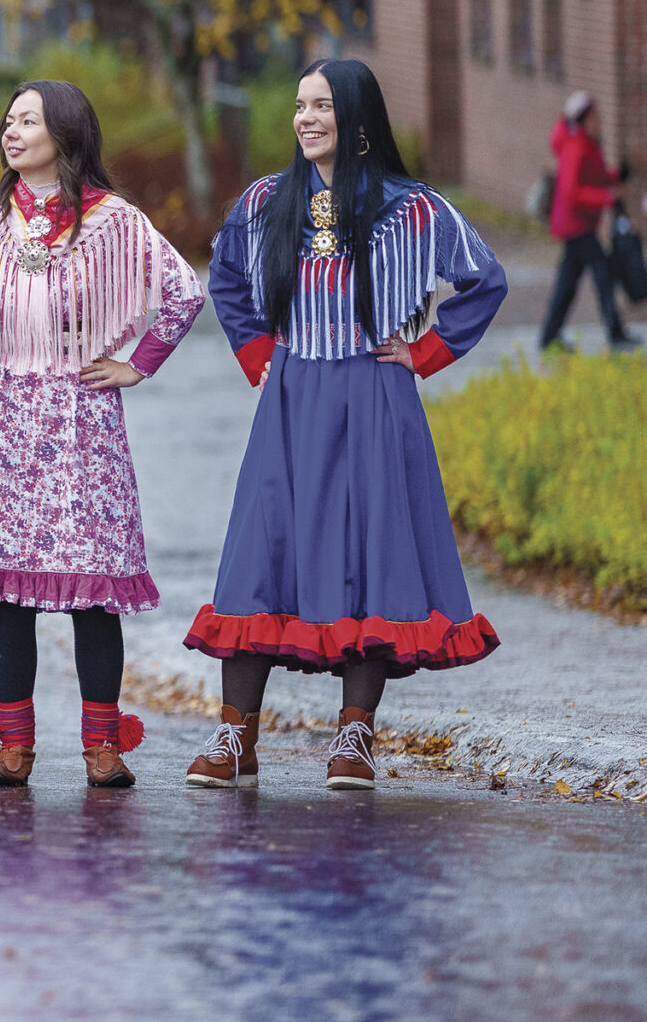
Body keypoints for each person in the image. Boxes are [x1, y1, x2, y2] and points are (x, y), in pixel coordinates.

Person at [185, 58, 506, 791]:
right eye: (299, 105)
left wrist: (424, 351)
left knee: (371, 557)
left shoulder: (416, 208)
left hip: (375, 396)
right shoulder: (266, 200)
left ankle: (354, 738)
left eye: (322, 105)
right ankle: (236, 736)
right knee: (262, 553)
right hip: (292, 397)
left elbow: (485, 278)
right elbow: (226, 274)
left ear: (356, 117)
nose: (306, 118)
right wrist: (258, 351)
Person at [0, 81, 204, 789]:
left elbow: (184, 290)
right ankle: (13, 744)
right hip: (7, 417)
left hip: (84, 419)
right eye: (8, 120)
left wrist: (137, 363)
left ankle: (104, 745)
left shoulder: (112, 221)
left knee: (94, 588)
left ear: (66, 133)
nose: (12, 131)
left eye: (29, 120)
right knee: (8, 591)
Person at [537, 90, 632, 352]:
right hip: (575, 226)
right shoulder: (575, 146)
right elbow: (571, 191)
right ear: (584, 119)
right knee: (602, 274)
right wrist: (607, 197)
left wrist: (615, 177)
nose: (599, 120)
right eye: (595, 116)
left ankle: (549, 337)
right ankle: (615, 333)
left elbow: (595, 176)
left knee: (567, 285)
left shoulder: (587, 144)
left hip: (581, 225)